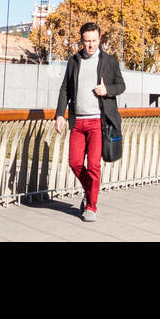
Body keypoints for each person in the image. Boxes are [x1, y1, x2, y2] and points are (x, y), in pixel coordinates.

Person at [53, 22, 126, 222]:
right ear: (82, 41)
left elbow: (121, 85)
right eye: (86, 41)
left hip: (98, 123)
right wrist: (60, 114)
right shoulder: (74, 60)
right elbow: (65, 89)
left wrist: (107, 90)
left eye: (94, 41)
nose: (90, 45)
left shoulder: (109, 61)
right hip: (77, 122)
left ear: (99, 39)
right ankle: (89, 191)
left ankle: (91, 206)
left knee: (94, 166)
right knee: (75, 163)